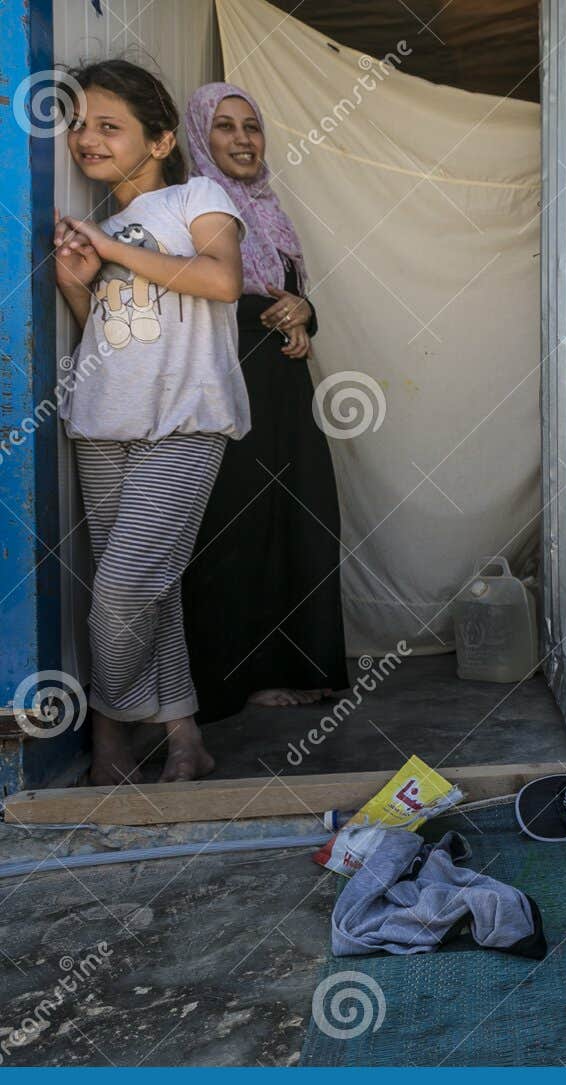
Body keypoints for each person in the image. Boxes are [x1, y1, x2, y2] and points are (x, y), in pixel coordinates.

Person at [53, 60, 248, 785]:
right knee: (147, 591)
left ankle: (109, 726)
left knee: (123, 594)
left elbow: (222, 279)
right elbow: (106, 333)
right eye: (78, 125)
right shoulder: (104, 228)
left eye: (110, 126)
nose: (87, 139)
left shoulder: (197, 196)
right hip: (102, 420)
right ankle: (181, 738)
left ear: (162, 139)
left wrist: (106, 252)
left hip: (185, 420)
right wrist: (79, 286)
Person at [179, 82, 350, 722]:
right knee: (235, 527)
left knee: (300, 515)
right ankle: (236, 680)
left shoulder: (268, 210)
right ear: (201, 135)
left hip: (283, 387)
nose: (243, 139)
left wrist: (305, 312)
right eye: (225, 126)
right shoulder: (189, 209)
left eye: (251, 126)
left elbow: (294, 299)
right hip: (225, 381)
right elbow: (198, 298)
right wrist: (271, 316)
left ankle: (296, 665)